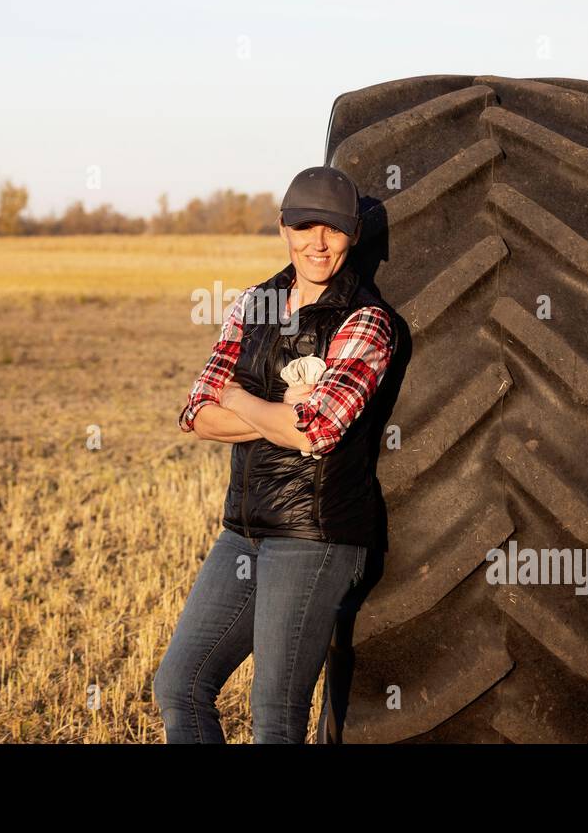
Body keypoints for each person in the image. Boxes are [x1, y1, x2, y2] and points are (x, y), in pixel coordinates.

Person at [153, 165, 396, 744]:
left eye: (332, 231)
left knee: (276, 717)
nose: (317, 243)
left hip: (315, 537)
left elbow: (315, 433)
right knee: (179, 685)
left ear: (352, 237)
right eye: (305, 226)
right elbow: (196, 413)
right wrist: (270, 410)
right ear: (284, 228)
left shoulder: (367, 321)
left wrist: (239, 399)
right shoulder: (253, 304)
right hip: (243, 531)